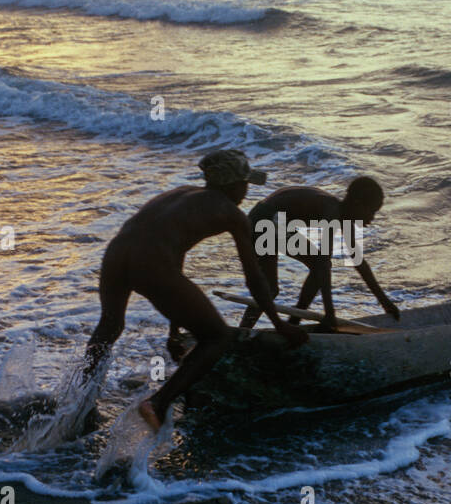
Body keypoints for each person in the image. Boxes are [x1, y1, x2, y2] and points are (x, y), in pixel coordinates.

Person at [83, 150, 308, 431]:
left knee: (110, 324)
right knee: (217, 337)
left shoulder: (179, 194)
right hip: (151, 261)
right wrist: (279, 324)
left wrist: (174, 329)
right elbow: (255, 279)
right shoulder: (232, 214)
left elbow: (175, 258)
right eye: (245, 184)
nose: (247, 190)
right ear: (232, 185)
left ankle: (80, 402)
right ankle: (158, 402)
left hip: (116, 254)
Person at [239, 177, 400, 332]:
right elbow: (323, 262)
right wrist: (330, 313)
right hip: (263, 220)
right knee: (272, 287)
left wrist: (385, 302)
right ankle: (246, 330)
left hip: (274, 221)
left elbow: (358, 261)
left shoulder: (342, 215)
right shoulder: (332, 212)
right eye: (371, 212)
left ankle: (290, 322)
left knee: (282, 282)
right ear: (357, 204)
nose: (371, 219)